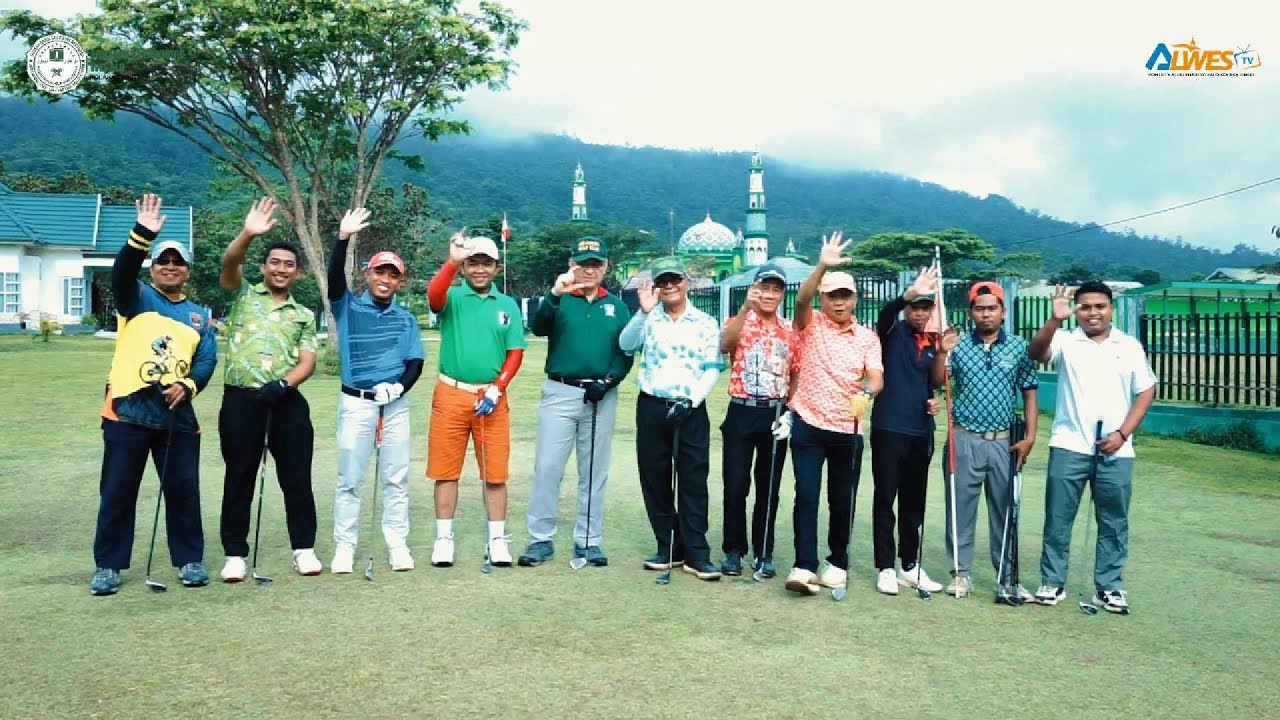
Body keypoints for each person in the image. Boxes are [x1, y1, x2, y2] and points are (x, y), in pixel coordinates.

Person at [90, 194, 218, 596]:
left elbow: (206, 362)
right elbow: (122, 273)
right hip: (127, 409)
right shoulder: (137, 298)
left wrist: (189, 385)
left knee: (183, 489)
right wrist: (143, 233)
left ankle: (189, 560)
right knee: (117, 491)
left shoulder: (201, 315)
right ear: (153, 266)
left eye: (178, 262)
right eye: (163, 260)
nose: (170, 267)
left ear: (187, 271)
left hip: (175, 414)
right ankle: (108, 566)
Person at [1028, 282, 1156, 614]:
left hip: (1115, 449)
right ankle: (1052, 583)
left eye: (1099, 306)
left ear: (1111, 308)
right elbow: (1036, 353)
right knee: (1058, 518)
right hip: (1070, 445)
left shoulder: (1128, 346)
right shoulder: (1066, 339)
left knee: (1113, 521)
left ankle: (1109, 588)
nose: (1092, 313)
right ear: (1077, 310)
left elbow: (1145, 392)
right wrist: (1055, 320)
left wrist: (1123, 433)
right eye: (1085, 307)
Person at [216, 197, 321, 581]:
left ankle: (304, 549)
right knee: (239, 475)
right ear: (263, 268)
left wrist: (284, 383)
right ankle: (235, 554)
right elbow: (229, 265)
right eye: (274, 262)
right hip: (242, 401)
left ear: (297, 274)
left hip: (284, 400)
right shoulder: (242, 294)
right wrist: (248, 233)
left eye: (289, 265)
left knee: (296, 477)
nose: (281, 269)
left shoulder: (304, 314)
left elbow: (308, 360)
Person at [778, 232, 884, 597]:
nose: (839, 302)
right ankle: (804, 566)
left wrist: (866, 392)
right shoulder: (810, 324)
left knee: (842, 499)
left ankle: (836, 563)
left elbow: (876, 375)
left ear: (854, 299)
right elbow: (802, 297)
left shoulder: (867, 336)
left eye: (845, 295)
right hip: (808, 422)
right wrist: (823, 265)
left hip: (848, 428)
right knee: (806, 495)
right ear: (823, 298)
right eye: (832, 295)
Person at [518, 236, 633, 568]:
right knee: (548, 467)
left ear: (605, 266)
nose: (589, 270)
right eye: (583, 263)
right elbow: (537, 327)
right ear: (572, 264)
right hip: (560, 391)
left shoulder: (617, 305)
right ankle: (540, 539)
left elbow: (624, 351)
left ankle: (588, 540)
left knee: (594, 469)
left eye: (596, 264)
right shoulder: (560, 301)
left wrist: (609, 379)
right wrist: (555, 293)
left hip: (601, 394)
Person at [328, 208, 425, 573]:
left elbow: (415, 363)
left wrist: (398, 387)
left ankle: (397, 543)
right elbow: (334, 280)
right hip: (356, 403)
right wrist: (342, 239)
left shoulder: (406, 318)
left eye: (393, 274)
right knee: (350, 478)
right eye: (379, 271)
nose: (385, 279)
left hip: (394, 405)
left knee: (396, 478)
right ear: (367, 274)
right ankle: (345, 546)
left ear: (400, 281)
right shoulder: (348, 306)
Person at [425, 230, 526, 568]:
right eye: (473, 263)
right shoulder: (452, 297)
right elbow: (433, 296)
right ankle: (443, 539)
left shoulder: (507, 305)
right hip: (451, 392)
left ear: (496, 268)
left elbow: (515, 352)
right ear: (465, 266)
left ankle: (497, 539)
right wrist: (451, 262)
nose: (480, 269)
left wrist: (498, 387)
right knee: (446, 471)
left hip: (491, 397)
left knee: (495, 473)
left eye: (487, 264)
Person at [619, 256, 723, 581]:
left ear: (686, 282)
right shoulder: (649, 318)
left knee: (692, 479)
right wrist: (643, 311)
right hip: (652, 405)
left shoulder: (705, 322)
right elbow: (625, 345)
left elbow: (711, 369)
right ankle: (669, 545)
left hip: (690, 408)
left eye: (674, 279)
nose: (669, 286)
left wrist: (691, 401)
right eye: (663, 281)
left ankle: (697, 552)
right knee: (655, 477)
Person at [932, 281, 1038, 600]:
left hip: (1004, 441)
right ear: (971, 312)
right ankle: (961, 574)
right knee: (960, 509)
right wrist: (942, 352)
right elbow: (938, 381)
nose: (986, 314)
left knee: (1005, 511)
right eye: (980, 309)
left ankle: (1007, 578)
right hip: (964, 436)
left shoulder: (1020, 347)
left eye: (992, 308)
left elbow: (1030, 392)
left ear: (1003, 312)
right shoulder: (959, 345)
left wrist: (1031, 436)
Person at [869, 265, 944, 596]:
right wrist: (907, 295)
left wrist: (932, 401)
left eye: (926, 307)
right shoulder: (890, 332)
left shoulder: (932, 342)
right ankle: (886, 566)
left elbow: (933, 383)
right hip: (888, 428)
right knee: (886, 497)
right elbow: (886, 314)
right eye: (916, 306)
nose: (920, 312)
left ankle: (910, 565)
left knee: (915, 501)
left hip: (919, 431)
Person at [717, 263, 794, 578]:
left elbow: (797, 371)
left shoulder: (790, 329)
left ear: (783, 293)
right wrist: (745, 307)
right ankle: (733, 550)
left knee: (769, 487)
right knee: (735, 484)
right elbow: (725, 344)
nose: (769, 294)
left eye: (776, 289)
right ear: (753, 288)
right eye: (764, 287)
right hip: (741, 410)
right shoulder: (738, 321)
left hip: (775, 413)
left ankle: (764, 550)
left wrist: (791, 410)